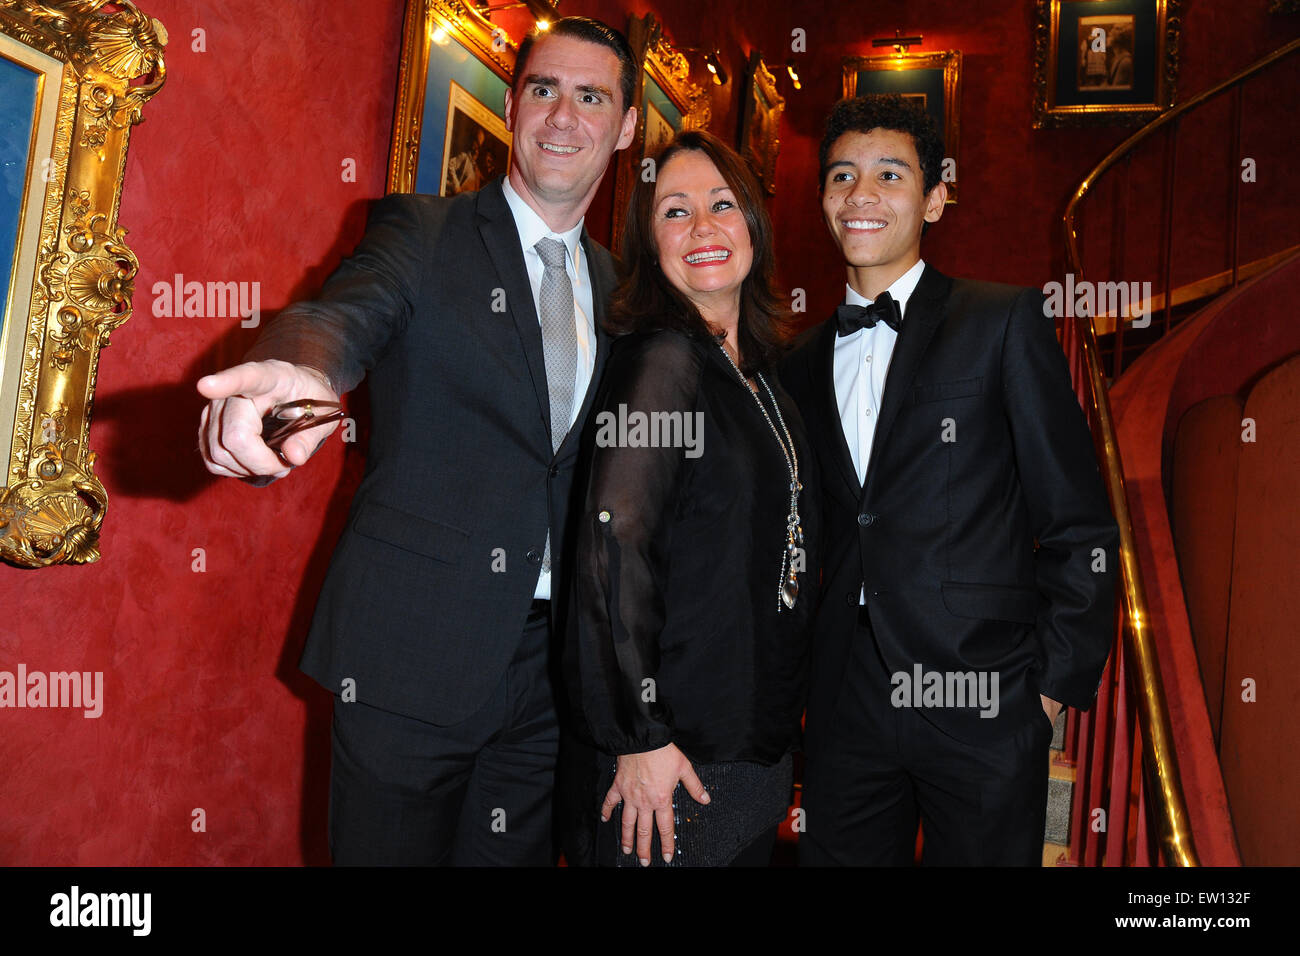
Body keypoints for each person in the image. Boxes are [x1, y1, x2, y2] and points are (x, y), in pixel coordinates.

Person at [194, 16, 638, 866]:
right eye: (544, 90)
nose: (562, 116)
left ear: (623, 128)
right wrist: (300, 371)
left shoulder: (623, 289)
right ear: (513, 106)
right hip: (409, 656)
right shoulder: (422, 233)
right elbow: (345, 311)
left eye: (591, 97)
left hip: (555, 680)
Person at [780, 95, 1118, 866]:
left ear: (935, 198)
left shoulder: (1001, 322)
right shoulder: (794, 363)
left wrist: (1049, 690)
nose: (861, 195)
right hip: (846, 694)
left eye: (889, 175)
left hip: (984, 690)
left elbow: (1079, 522)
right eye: (842, 176)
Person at [563, 129, 821, 867]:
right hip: (671, 757)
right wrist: (638, 736)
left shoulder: (761, 376)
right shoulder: (664, 359)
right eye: (675, 211)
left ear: (754, 226)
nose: (704, 227)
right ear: (648, 242)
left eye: (722, 205)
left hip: (752, 747)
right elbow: (613, 551)